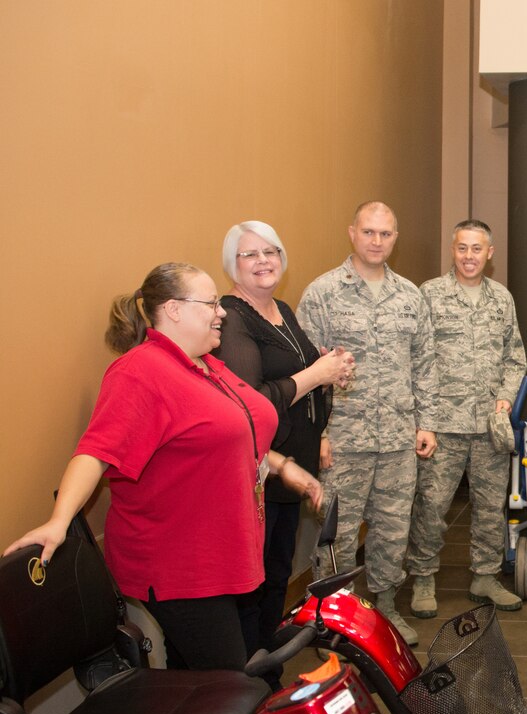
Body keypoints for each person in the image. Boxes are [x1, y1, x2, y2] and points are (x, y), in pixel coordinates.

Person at [3, 263, 323, 671]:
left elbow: (235, 429)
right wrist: (59, 521)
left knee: (193, 676)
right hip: (181, 564)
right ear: (173, 310)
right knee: (228, 686)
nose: (221, 311)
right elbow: (96, 452)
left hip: (227, 549)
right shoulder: (140, 372)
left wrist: (280, 465)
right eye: (210, 303)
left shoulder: (209, 365)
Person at [215, 221, 355, 678]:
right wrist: (316, 376)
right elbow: (251, 401)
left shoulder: (282, 310)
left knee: (276, 574)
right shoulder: (234, 317)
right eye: (249, 254)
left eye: (270, 251)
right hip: (260, 471)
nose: (263, 261)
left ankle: (269, 670)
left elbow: (302, 381)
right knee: (253, 582)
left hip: (294, 465)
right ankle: (249, 680)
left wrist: (331, 373)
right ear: (231, 264)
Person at [297, 201, 438, 646]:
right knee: (336, 531)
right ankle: (335, 616)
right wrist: (317, 433)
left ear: (395, 238)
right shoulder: (322, 293)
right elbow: (305, 368)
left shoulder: (411, 296)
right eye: (369, 232)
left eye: (386, 234)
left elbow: (425, 363)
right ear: (352, 233)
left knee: (393, 528)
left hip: (398, 437)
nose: (377, 241)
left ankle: (385, 608)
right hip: (343, 438)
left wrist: (426, 423)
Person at [407, 219, 527, 616]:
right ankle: (423, 577)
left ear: (489, 254)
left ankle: (485, 576)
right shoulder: (430, 295)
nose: (469, 256)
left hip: (490, 426)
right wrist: (424, 417)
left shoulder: (502, 298)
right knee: (432, 506)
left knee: (491, 506)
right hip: (443, 425)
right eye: (462, 248)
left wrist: (506, 399)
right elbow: (417, 359)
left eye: (477, 249)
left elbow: (515, 358)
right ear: (452, 250)